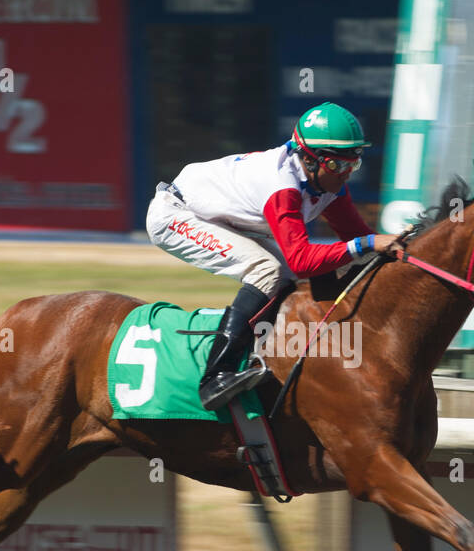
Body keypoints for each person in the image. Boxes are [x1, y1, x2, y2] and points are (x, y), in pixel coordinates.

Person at [146, 102, 400, 410]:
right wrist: (368, 244)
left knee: (302, 271)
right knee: (269, 270)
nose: (344, 175)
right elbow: (307, 259)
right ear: (308, 157)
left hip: (220, 216)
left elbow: (354, 237)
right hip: (176, 216)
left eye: (352, 164)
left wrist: (402, 249)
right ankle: (215, 377)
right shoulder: (282, 187)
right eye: (336, 165)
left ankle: (310, 349)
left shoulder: (327, 183)